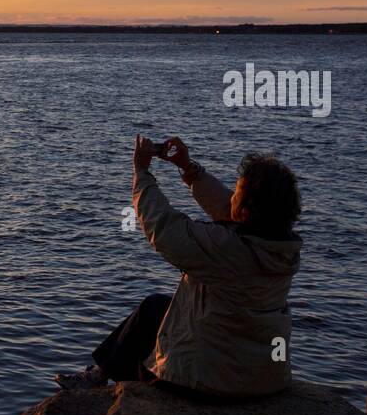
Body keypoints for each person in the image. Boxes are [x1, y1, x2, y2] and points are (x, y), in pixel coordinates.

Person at [55, 136, 302, 398]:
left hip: (211, 382)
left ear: (248, 209)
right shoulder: (279, 245)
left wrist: (141, 172)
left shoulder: (228, 250)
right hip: (264, 375)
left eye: (237, 193)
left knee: (151, 342)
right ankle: (99, 373)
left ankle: (107, 387)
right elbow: (231, 211)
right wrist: (188, 168)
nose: (232, 199)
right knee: (157, 308)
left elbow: (163, 227)